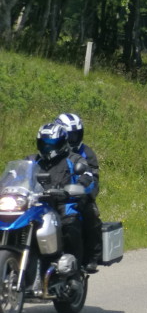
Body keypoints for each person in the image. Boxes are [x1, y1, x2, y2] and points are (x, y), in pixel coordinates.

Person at [32, 122, 96, 267]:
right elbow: (16, 175)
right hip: (37, 205)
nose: (47, 147)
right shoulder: (32, 160)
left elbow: (88, 177)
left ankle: (74, 270)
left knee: (70, 223)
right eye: (44, 143)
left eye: (51, 144)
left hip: (63, 203)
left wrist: (75, 189)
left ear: (61, 143)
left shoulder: (74, 159)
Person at [57, 112, 103, 272]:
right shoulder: (53, 151)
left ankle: (92, 256)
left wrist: (84, 193)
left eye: (76, 135)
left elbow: (94, 178)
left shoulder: (87, 153)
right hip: (56, 194)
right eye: (69, 135)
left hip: (80, 193)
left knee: (90, 213)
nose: (73, 139)